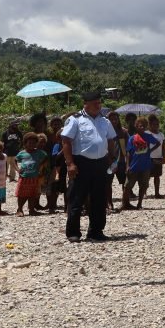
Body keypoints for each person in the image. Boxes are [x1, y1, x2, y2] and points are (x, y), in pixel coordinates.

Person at [61, 91, 117, 242]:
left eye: (99, 103)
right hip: (81, 162)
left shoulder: (105, 121)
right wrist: (70, 163)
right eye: (95, 104)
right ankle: (73, 232)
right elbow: (66, 141)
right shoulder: (75, 120)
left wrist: (111, 158)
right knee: (76, 199)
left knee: (99, 199)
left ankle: (96, 231)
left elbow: (111, 139)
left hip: (101, 163)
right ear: (86, 104)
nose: (98, 106)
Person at [122, 117, 159, 211]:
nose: (141, 127)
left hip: (145, 165)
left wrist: (150, 150)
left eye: (143, 126)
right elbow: (128, 153)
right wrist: (127, 166)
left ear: (146, 126)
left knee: (143, 185)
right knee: (127, 186)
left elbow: (158, 143)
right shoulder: (132, 138)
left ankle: (139, 204)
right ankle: (125, 203)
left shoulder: (148, 136)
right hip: (134, 165)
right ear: (136, 126)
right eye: (139, 126)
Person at [15, 132, 48, 217]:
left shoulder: (39, 152)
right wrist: (18, 170)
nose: (31, 144)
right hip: (24, 177)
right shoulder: (22, 153)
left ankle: (31, 210)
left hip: (34, 177)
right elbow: (14, 160)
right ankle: (19, 209)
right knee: (21, 194)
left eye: (34, 143)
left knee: (32, 194)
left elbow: (46, 158)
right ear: (25, 143)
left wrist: (41, 168)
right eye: (29, 143)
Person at [107, 112, 129, 212]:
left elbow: (128, 148)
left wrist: (128, 161)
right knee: (108, 183)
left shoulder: (123, 132)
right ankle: (109, 203)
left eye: (116, 119)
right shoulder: (105, 131)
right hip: (109, 161)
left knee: (125, 183)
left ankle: (125, 202)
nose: (114, 121)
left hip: (121, 161)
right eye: (112, 119)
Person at [148, 114, 165, 199]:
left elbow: (163, 147)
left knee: (157, 176)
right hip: (149, 158)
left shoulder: (161, 134)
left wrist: (163, 157)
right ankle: (144, 192)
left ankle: (157, 193)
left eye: (157, 124)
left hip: (158, 157)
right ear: (150, 125)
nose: (156, 126)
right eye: (154, 124)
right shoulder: (147, 134)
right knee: (147, 176)